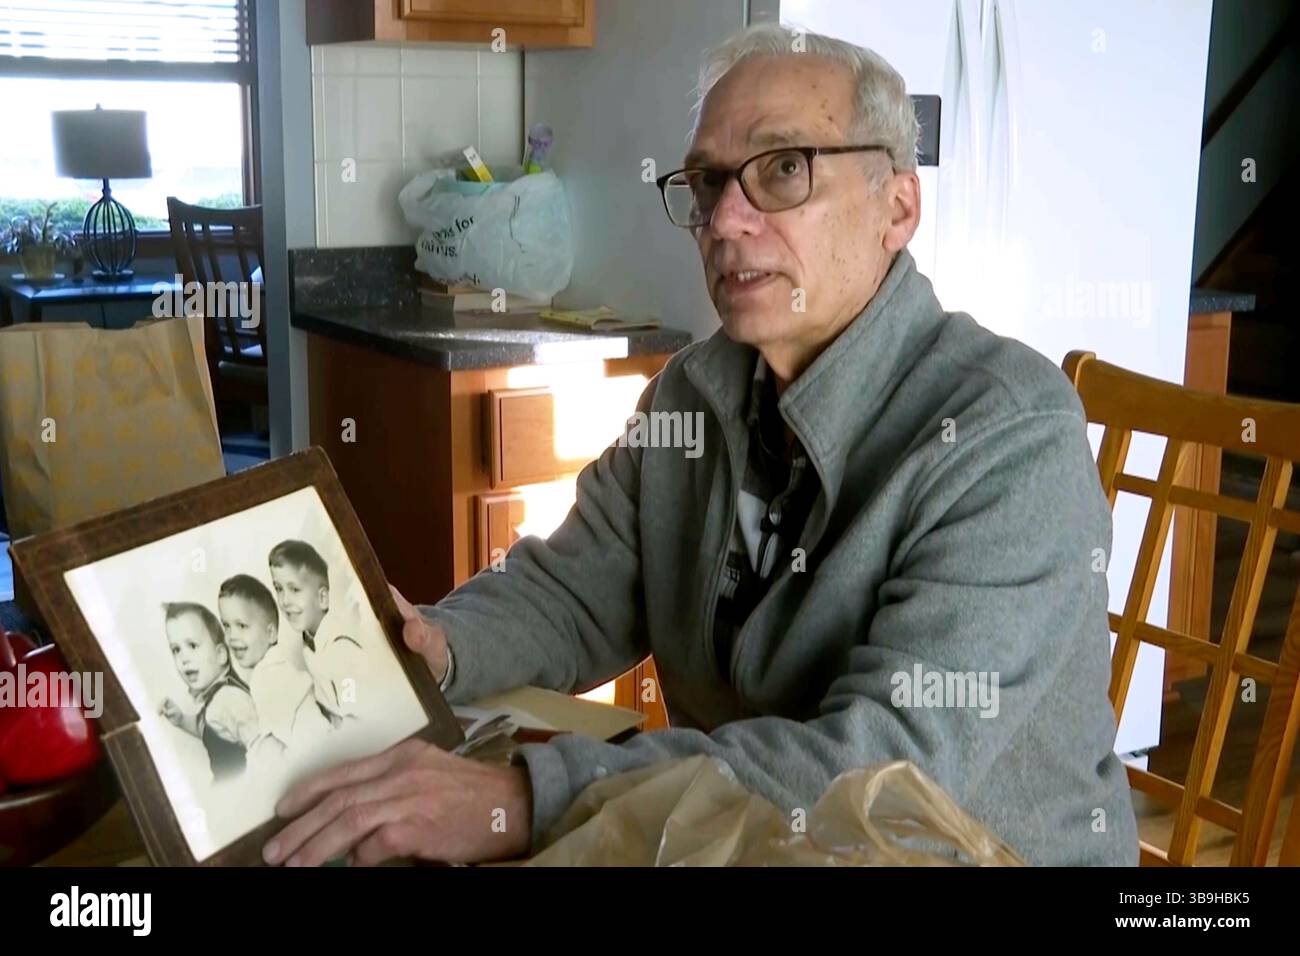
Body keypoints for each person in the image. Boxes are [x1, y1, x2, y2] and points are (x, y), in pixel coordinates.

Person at [264, 23, 1138, 868]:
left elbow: (873, 779)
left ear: (898, 207)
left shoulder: (1006, 435)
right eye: (709, 181)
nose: (725, 220)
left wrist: (521, 799)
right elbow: (576, 590)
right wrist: (437, 643)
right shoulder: (696, 391)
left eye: (784, 170)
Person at [217, 573, 328, 761]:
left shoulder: (266, 676)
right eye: (226, 626)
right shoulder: (276, 667)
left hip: (318, 757)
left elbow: (272, 744)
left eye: (242, 626)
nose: (232, 636)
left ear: (270, 634)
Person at [267, 540, 365, 727]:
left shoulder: (341, 649)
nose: (285, 600)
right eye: (279, 589)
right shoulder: (309, 641)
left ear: (322, 598)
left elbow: (358, 716)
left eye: (295, 589)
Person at [159, 602, 257, 782]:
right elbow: (213, 729)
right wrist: (181, 720)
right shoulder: (216, 700)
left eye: (193, 646)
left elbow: (263, 746)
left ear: (221, 654)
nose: (184, 658)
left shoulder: (229, 699)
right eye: (176, 650)